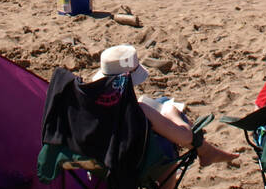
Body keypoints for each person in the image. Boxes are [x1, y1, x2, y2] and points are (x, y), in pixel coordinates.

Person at [87, 45, 238, 171]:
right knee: (168, 126)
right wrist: (173, 115)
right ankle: (205, 151)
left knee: (162, 101)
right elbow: (185, 136)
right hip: (137, 164)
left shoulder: (88, 107)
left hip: (103, 162)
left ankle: (207, 151)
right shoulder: (138, 110)